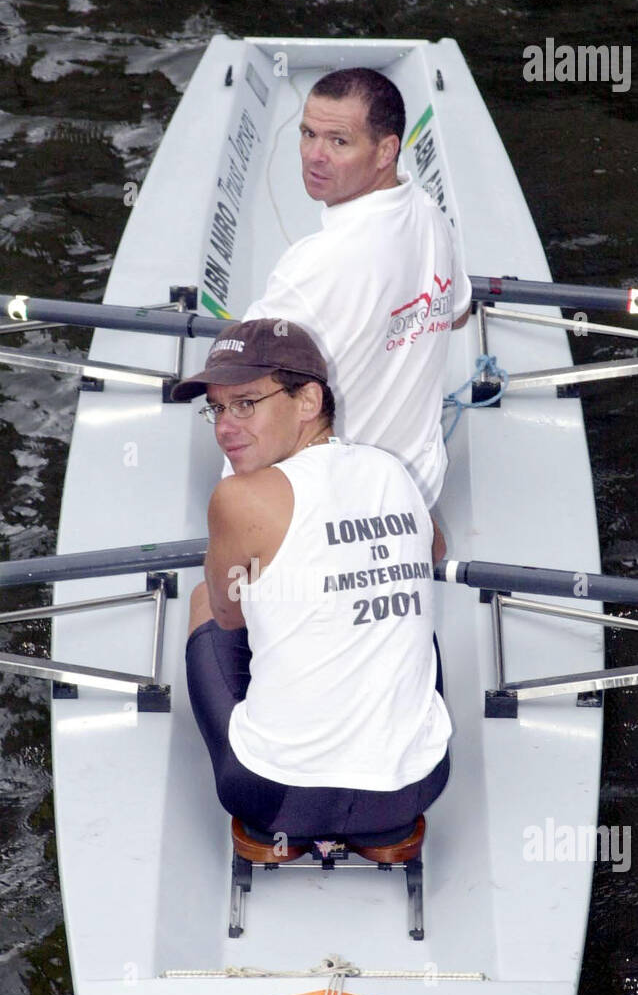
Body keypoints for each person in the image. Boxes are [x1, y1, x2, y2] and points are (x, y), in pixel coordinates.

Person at [174, 318, 451, 840]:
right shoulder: (389, 470)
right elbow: (434, 550)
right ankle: (382, 833)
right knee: (399, 599)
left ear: (308, 400)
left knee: (204, 603)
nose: (224, 426)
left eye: (246, 403)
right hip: (414, 787)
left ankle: (278, 828)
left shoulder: (238, 497)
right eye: (216, 407)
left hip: (276, 799)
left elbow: (230, 614)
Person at [240, 66, 471, 511]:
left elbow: (242, 385)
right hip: (417, 489)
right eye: (308, 134)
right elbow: (458, 313)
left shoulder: (311, 267)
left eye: (338, 141)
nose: (314, 155)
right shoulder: (429, 215)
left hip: (335, 507)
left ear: (387, 151)